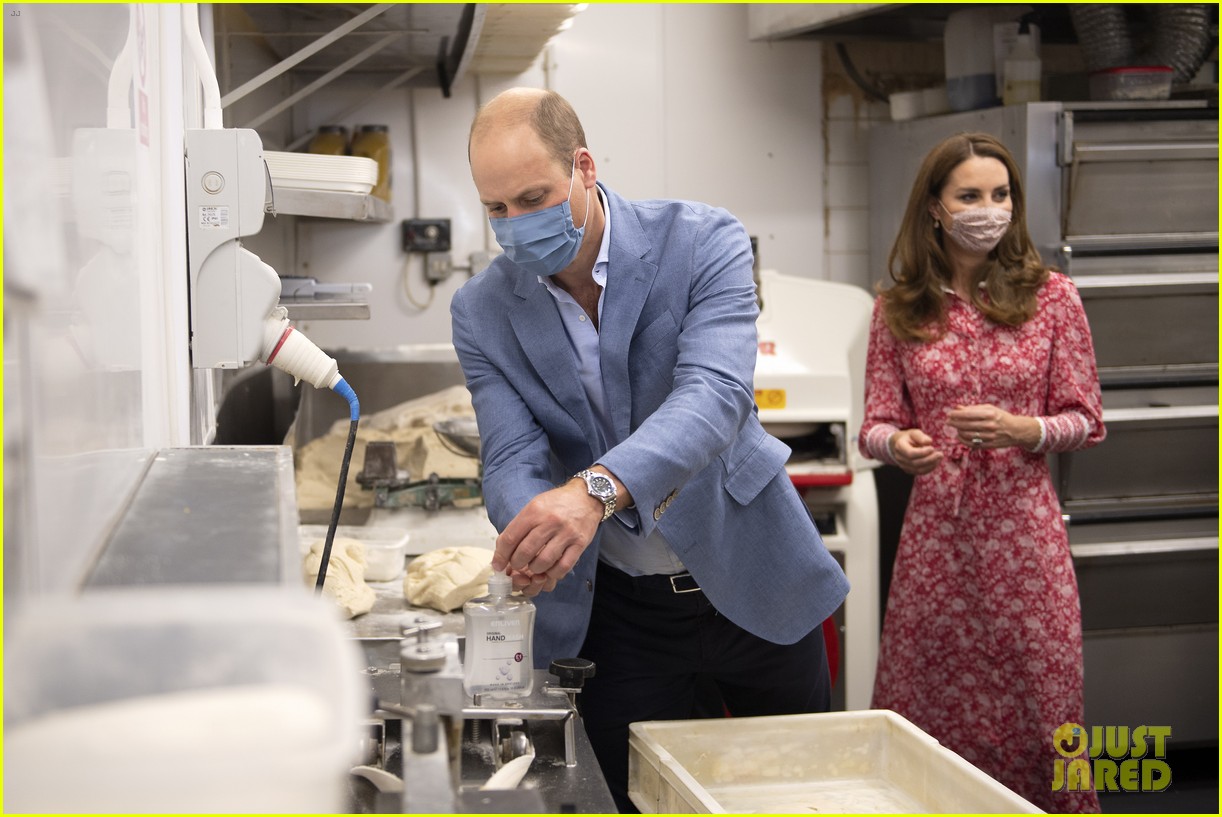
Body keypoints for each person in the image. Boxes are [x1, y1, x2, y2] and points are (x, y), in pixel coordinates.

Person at [451, 87, 849, 811]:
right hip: (620, 616)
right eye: (495, 210)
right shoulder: (481, 309)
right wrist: (537, 526)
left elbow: (715, 397)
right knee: (641, 800)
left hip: (753, 577)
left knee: (800, 793)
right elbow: (510, 452)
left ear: (584, 167)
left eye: (533, 197)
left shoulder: (699, 241)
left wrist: (592, 493)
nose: (514, 226)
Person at [858, 131, 1105, 814]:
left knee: (1043, 707)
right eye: (970, 195)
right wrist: (898, 444)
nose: (988, 208)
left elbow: (1086, 417)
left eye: (1000, 195)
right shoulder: (899, 307)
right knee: (926, 712)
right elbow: (874, 423)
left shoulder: (1054, 298)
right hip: (937, 546)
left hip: (1027, 545)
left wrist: (1029, 430)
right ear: (936, 207)